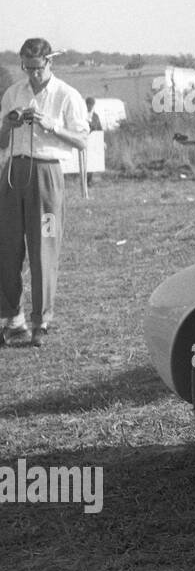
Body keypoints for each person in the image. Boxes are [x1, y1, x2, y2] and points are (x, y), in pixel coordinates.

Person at [0, 38, 90, 347]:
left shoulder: (67, 95)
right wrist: (8, 125)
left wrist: (51, 126)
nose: (33, 75)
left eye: (38, 68)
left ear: (50, 63)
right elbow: (0, 142)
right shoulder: (14, 93)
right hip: (12, 173)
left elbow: (81, 141)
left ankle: (41, 321)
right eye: (27, 68)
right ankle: (14, 320)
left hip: (47, 174)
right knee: (7, 249)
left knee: (43, 249)